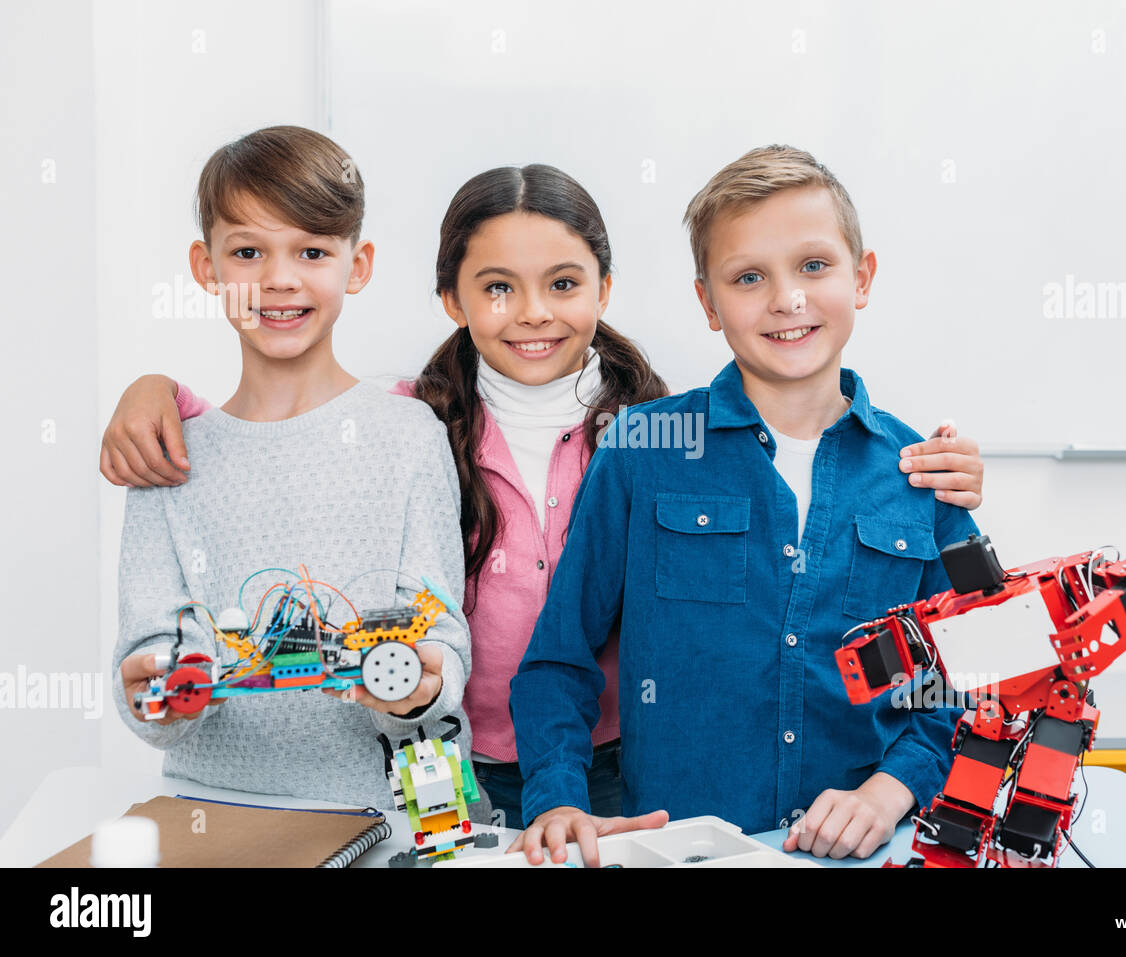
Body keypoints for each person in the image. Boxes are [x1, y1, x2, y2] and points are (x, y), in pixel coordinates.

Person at [101, 158, 983, 831]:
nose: (533, 312)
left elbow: (959, 679)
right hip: (441, 756)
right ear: (451, 297)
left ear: (604, 287)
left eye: (563, 283)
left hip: (619, 770)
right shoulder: (413, 423)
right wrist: (158, 394)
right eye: (496, 287)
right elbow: (284, 439)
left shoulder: (646, 429)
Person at [509, 145, 985, 866]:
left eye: (814, 266)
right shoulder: (644, 448)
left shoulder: (922, 472)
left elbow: (967, 679)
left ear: (862, 278)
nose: (787, 298)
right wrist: (557, 797)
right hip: (677, 850)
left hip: (861, 853)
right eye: (749, 276)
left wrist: (892, 788)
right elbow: (559, 659)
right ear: (708, 302)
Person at [111, 125, 477, 814]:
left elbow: (441, 633)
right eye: (248, 251)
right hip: (212, 808)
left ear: (357, 264)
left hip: (386, 809)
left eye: (312, 250)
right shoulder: (166, 451)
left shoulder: (408, 436)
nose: (279, 278)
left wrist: (421, 683)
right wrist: (157, 692)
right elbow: (145, 661)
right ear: (206, 267)